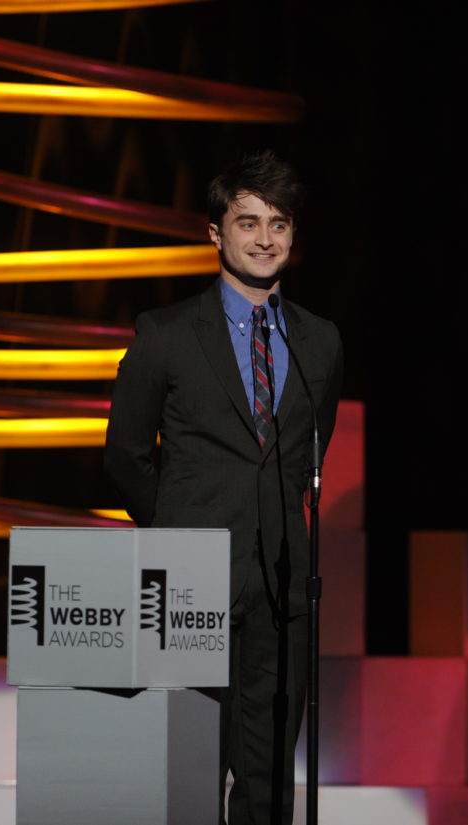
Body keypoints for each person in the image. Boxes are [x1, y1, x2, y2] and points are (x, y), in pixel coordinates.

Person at [103, 150, 343, 825]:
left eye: (280, 223)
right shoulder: (166, 336)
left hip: (283, 589)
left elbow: (302, 456)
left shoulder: (320, 344)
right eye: (248, 222)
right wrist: (180, 535)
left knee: (267, 782)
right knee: (188, 774)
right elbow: (124, 457)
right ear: (216, 233)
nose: (265, 238)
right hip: (188, 587)